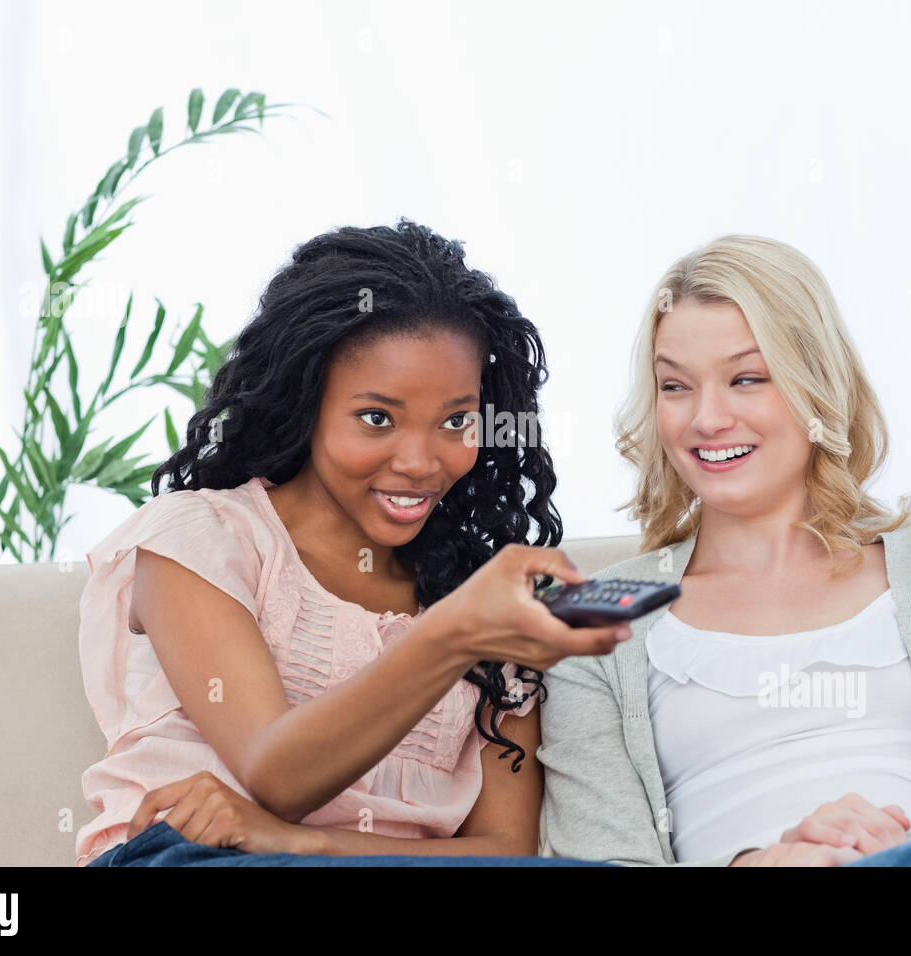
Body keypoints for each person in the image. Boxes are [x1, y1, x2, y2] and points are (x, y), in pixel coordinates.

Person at [76, 219, 624, 867]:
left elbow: (504, 851)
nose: (421, 461)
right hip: (194, 855)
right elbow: (276, 774)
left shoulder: (482, 597)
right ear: (303, 403)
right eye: (377, 418)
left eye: (456, 420)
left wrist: (303, 840)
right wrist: (455, 635)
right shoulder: (205, 538)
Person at [536, 234, 911, 867]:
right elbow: (600, 859)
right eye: (675, 387)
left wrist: (886, 849)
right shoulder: (594, 618)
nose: (707, 419)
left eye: (746, 378)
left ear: (816, 384)